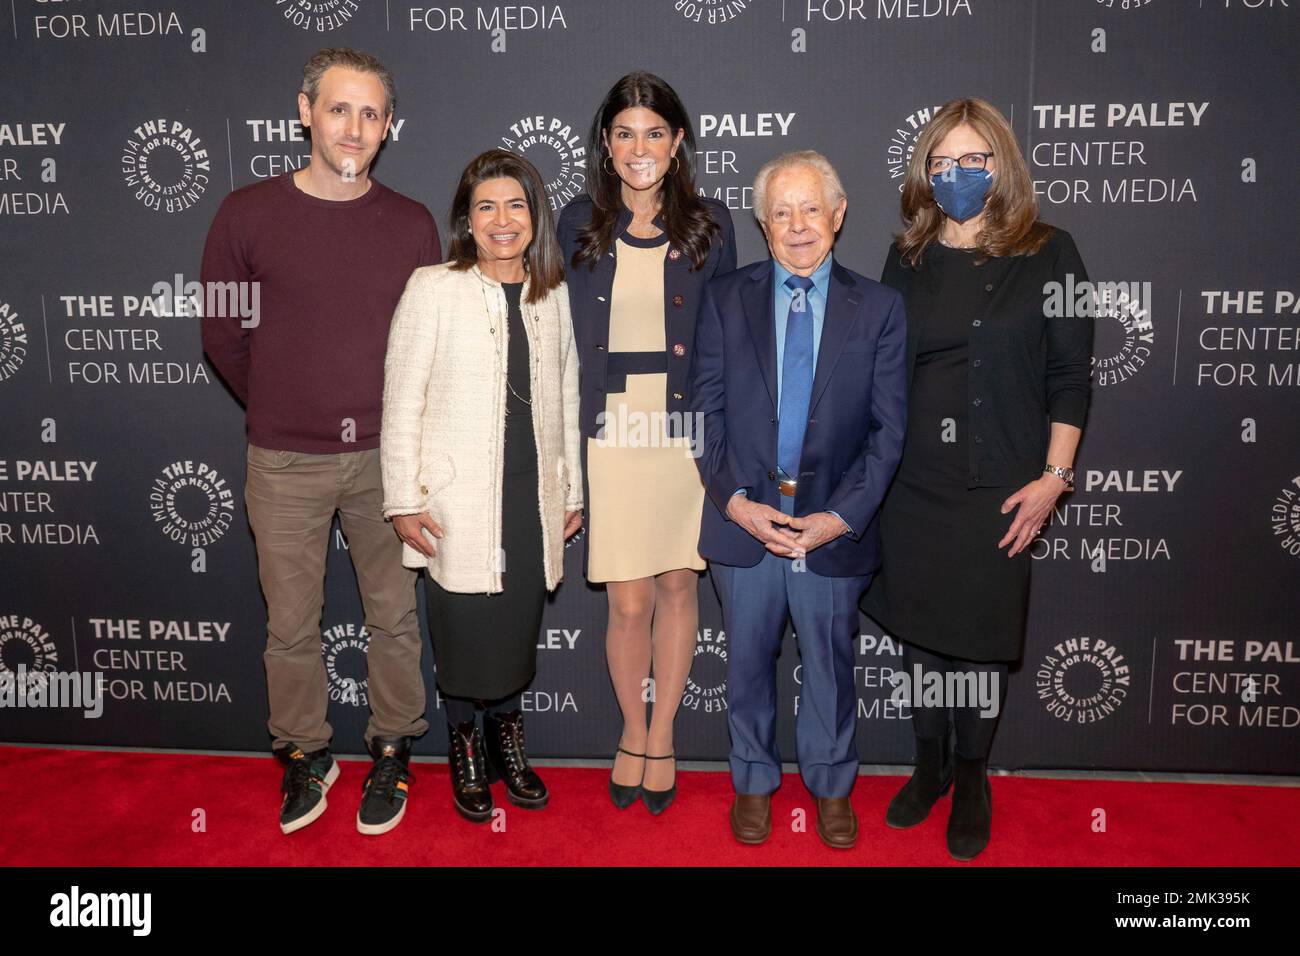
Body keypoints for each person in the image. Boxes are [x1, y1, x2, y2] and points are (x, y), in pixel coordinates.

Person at [201, 47, 440, 837]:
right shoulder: (244, 213)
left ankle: (393, 745)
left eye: (371, 113)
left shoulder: (411, 225)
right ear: (305, 111)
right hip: (283, 461)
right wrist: (283, 407)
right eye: (340, 108)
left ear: (388, 128)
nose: (355, 127)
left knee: (395, 617)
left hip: (388, 462)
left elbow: (426, 348)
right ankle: (305, 752)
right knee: (291, 624)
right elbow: (223, 337)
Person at [860, 97, 1094, 860]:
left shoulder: (1052, 252)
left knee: (982, 644)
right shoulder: (909, 255)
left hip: (998, 481)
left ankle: (971, 775)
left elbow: (1070, 374)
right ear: (924, 174)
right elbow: (885, 367)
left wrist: (1055, 475)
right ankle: (926, 765)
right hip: (913, 481)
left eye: (972, 160)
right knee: (923, 638)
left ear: (1002, 164)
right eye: (941, 162)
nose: (956, 174)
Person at [691, 150, 907, 849]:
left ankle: (832, 785)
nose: (798, 225)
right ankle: (752, 780)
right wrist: (734, 504)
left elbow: (889, 432)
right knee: (747, 663)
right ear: (762, 222)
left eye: (811, 208)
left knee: (831, 667)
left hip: (832, 528)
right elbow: (706, 414)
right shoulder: (725, 299)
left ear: (839, 216)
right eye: (781, 212)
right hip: (745, 524)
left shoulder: (878, 308)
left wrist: (837, 518)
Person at [381, 149, 582, 824]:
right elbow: (401, 399)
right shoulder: (432, 287)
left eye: (517, 205)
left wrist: (571, 490)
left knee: (515, 626)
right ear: (466, 221)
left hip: (531, 499)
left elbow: (568, 394)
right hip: (456, 502)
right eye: (487, 207)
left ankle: (508, 743)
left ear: (536, 217)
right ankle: (464, 745)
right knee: (466, 629)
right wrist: (403, 499)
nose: (503, 220)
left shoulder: (550, 291)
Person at [557, 72, 736, 814]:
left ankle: (663, 736)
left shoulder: (711, 225)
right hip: (613, 438)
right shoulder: (575, 223)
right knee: (626, 603)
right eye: (625, 133)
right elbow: (558, 342)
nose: (640, 148)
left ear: (678, 141)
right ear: (606, 142)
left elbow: (727, 344)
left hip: (682, 439)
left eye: (655, 133)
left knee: (676, 587)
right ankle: (631, 731)